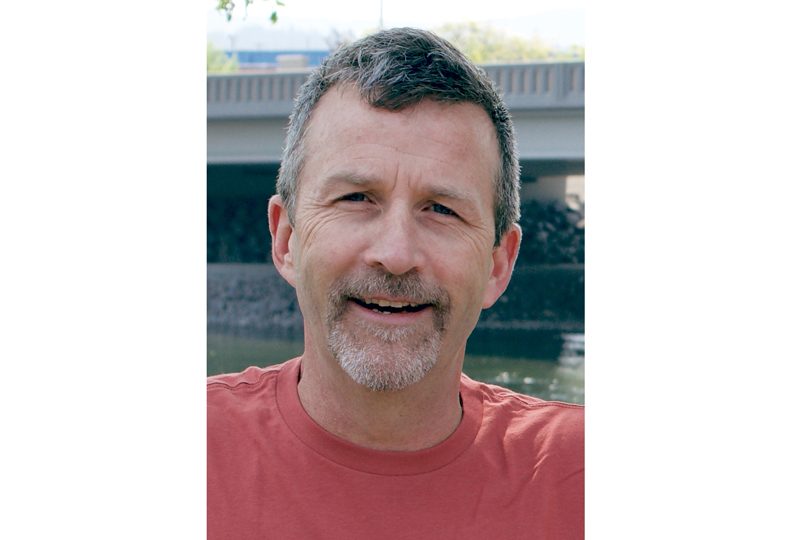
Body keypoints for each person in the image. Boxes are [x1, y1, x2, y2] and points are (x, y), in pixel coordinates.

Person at [208, 27, 583, 539]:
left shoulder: (578, 476)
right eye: (356, 198)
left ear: (499, 264)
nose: (396, 254)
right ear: (286, 239)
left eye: (441, 209)